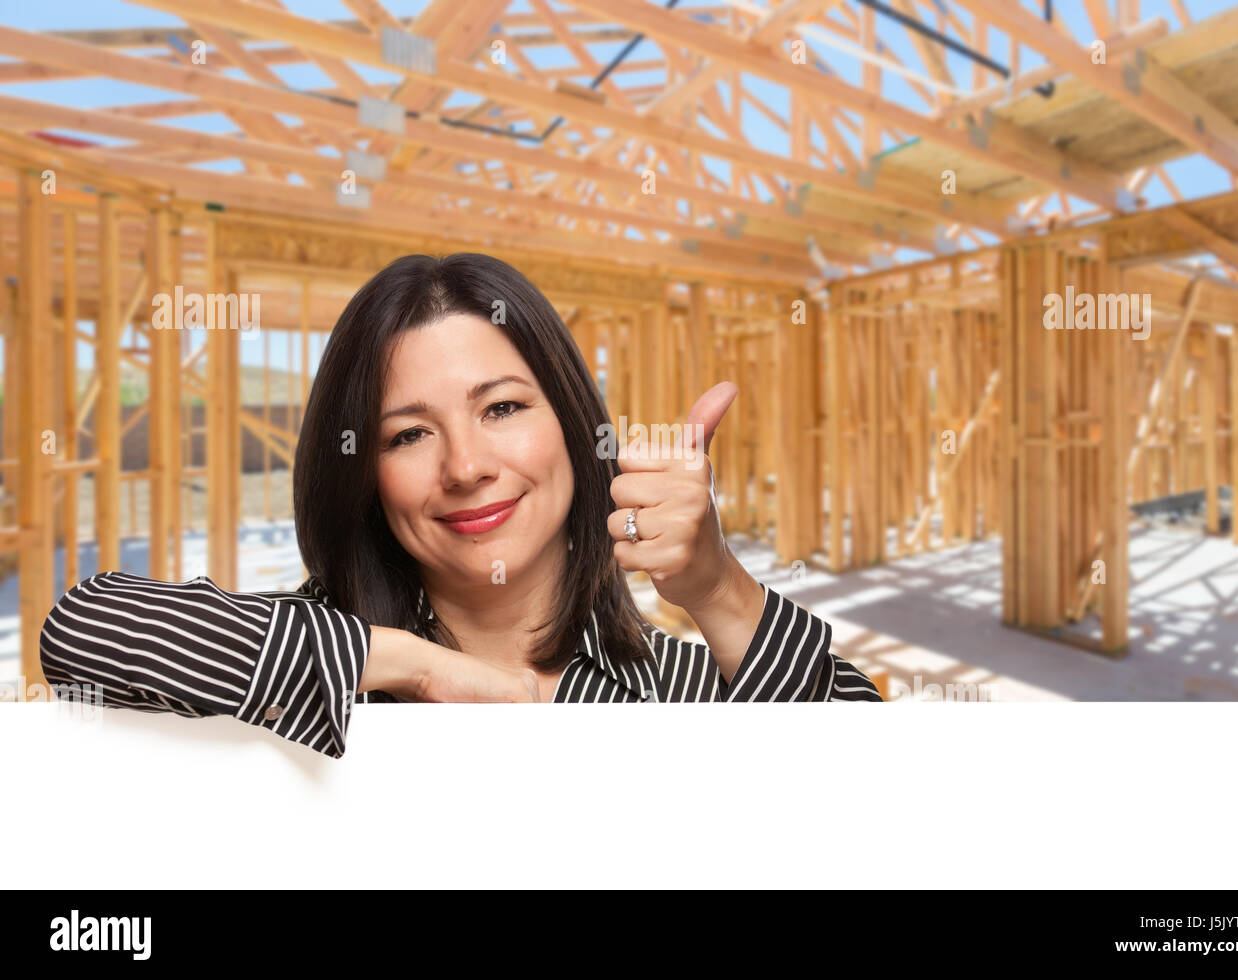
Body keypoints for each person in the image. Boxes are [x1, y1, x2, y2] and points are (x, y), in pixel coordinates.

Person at [39, 253, 881, 759]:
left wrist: (718, 587)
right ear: (364, 472)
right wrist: (428, 669)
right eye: (408, 435)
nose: (466, 466)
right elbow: (86, 632)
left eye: (503, 408)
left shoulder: (685, 690)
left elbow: (901, 800)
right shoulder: (313, 674)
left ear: (573, 426)